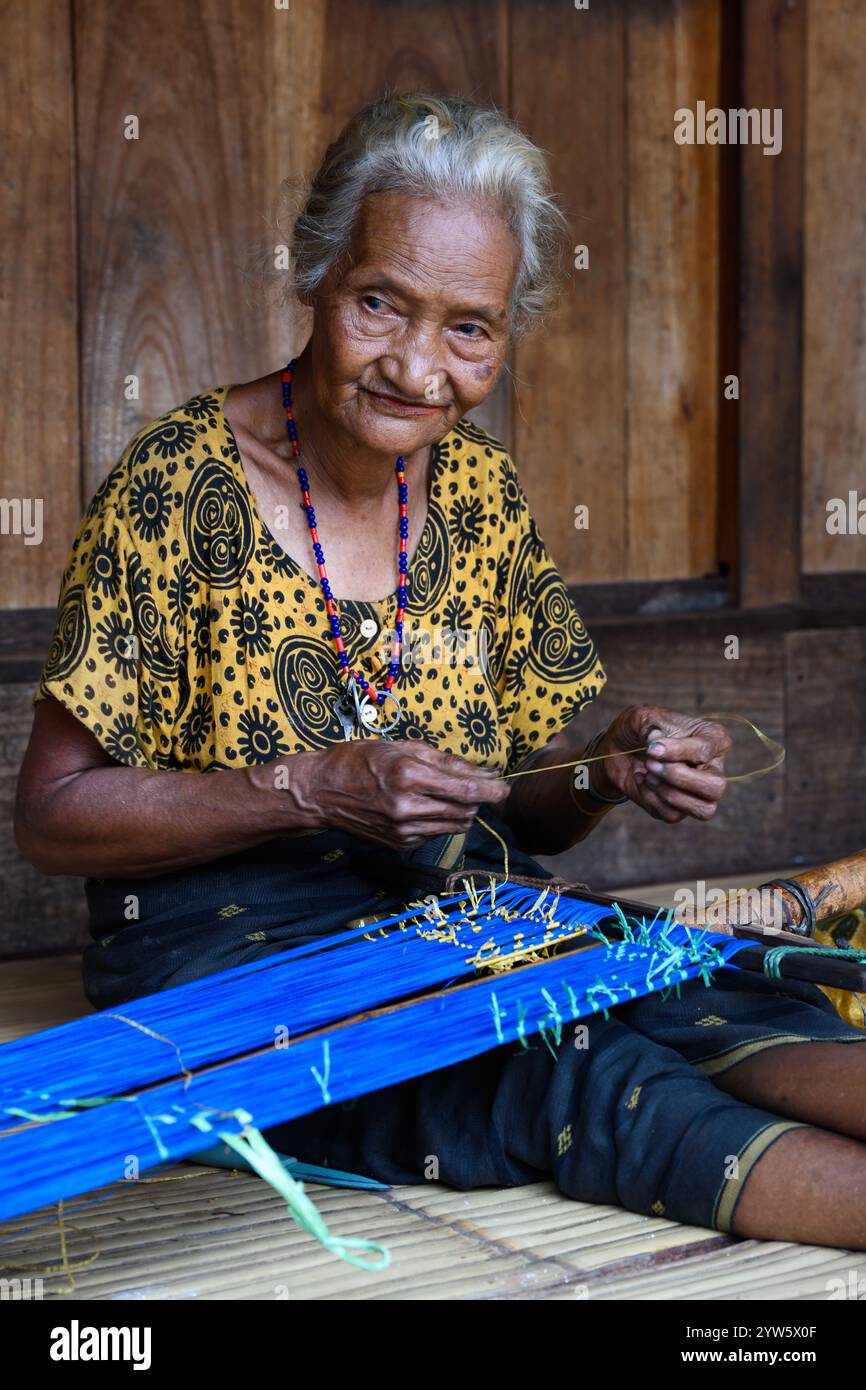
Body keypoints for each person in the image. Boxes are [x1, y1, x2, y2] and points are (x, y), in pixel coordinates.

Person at [15, 93, 866, 1248]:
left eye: (468, 327)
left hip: (452, 913)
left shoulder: (477, 492)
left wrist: (611, 767)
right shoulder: (176, 488)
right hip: (234, 969)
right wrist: (310, 787)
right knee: (569, 1063)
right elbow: (53, 819)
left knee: (703, 985)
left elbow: (529, 809)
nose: (417, 367)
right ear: (317, 278)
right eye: (379, 304)